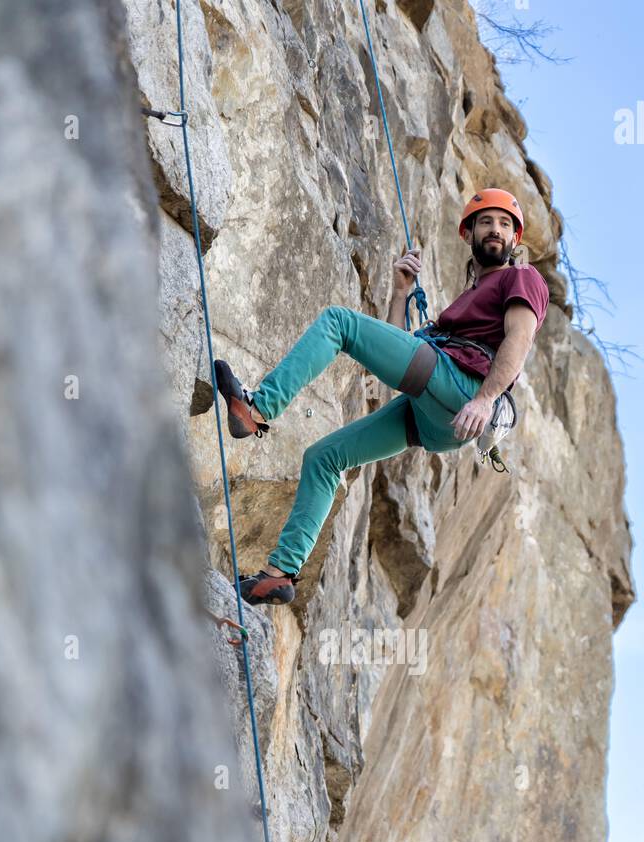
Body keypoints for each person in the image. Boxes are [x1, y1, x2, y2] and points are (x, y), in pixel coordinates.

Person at [214, 188, 549, 606]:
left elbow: (518, 340)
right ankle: (279, 574)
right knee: (324, 458)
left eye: (504, 224)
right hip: (437, 413)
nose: (495, 229)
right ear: (468, 234)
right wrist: (400, 293)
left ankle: (259, 407)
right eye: (486, 222)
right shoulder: (465, 305)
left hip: (464, 390)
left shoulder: (523, 279)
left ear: (515, 238)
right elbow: (394, 363)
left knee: (339, 322)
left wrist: (484, 400)